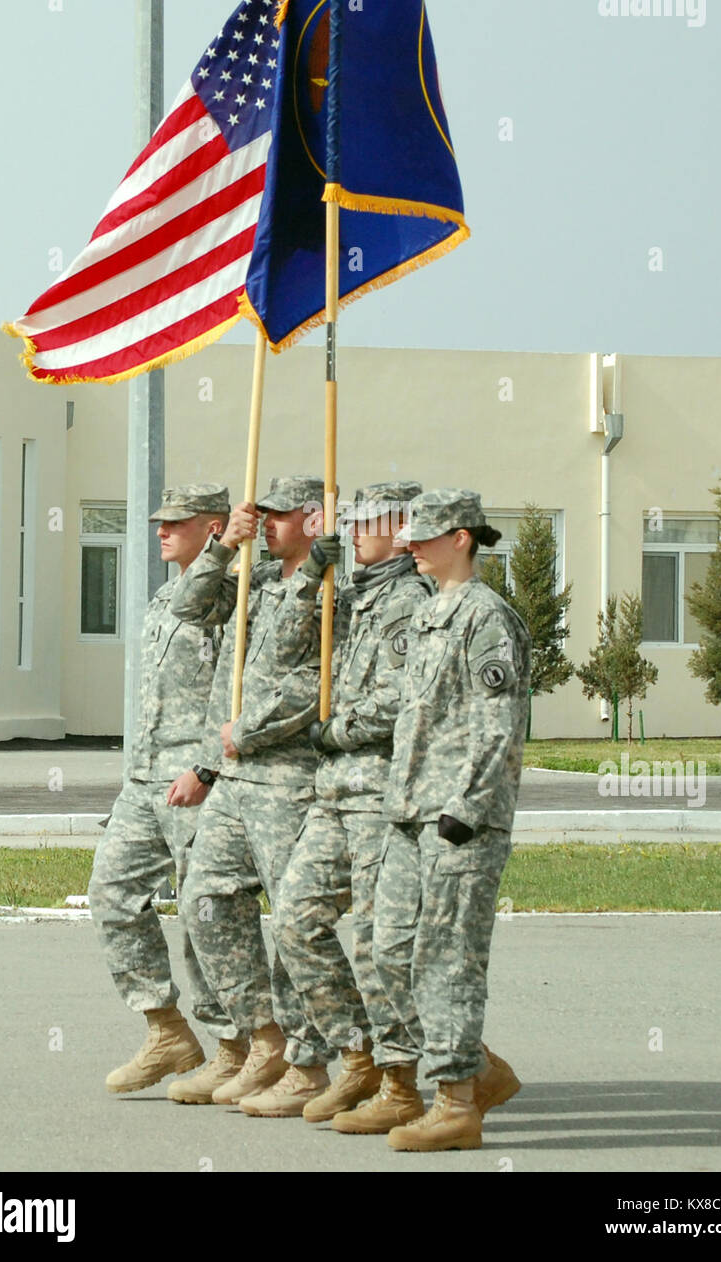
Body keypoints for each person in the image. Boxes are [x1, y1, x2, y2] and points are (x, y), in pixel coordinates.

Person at [369, 488, 532, 1151]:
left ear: (462, 537)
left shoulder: (487, 619)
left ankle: (457, 1103)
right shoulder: (432, 615)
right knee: (389, 949)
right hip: (411, 814)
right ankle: (479, 1068)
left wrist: (463, 812)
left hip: (460, 821)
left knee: (448, 963)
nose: (409, 544)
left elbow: (499, 730)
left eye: (424, 535)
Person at [166, 476, 334, 1114]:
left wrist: (250, 731)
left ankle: (307, 1058)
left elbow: (319, 680)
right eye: (260, 514)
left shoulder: (330, 586)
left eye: (279, 514)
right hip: (234, 778)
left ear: (315, 519)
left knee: (294, 920)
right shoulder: (258, 581)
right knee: (204, 898)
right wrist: (222, 549)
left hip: (288, 776)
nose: (265, 523)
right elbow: (189, 608)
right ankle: (260, 1036)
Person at [271, 482, 432, 1126]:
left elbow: (400, 700)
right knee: (293, 920)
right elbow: (285, 645)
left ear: (402, 527)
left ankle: (403, 1078)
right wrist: (315, 571)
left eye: (370, 520)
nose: (358, 530)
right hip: (332, 790)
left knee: (373, 939)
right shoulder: (351, 590)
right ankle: (356, 1052)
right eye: (354, 519)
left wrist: (336, 727)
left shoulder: (409, 600)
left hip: (375, 792)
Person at [87, 484, 238, 1095]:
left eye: (177, 521)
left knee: (205, 912)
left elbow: (232, 687)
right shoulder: (161, 596)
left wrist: (206, 768)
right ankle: (165, 1027)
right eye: (160, 521)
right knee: (112, 892)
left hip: (194, 782)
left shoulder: (228, 596)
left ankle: (235, 1043)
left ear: (214, 528)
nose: (160, 531)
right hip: (145, 778)